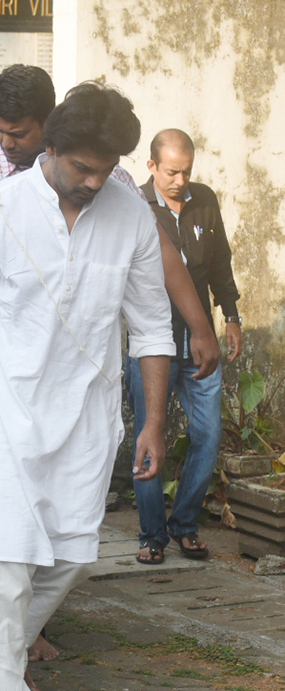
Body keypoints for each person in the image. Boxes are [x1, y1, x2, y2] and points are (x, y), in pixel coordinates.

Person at [0, 83, 175, 691]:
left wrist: (151, 424)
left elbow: (151, 327)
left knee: (72, 556)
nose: (95, 182)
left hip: (86, 415)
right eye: (83, 168)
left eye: (105, 169)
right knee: (3, 566)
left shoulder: (129, 214)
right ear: (51, 147)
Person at [0, 64, 220, 383]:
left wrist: (200, 327)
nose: (6, 142)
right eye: (0, 130)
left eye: (18, 133)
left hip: (82, 371)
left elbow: (161, 252)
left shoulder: (116, 185)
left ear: (47, 129)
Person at [129, 129, 242, 565]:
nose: (180, 180)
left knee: (208, 435)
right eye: (171, 171)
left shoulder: (204, 200)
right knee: (147, 435)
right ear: (152, 166)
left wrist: (230, 317)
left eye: (187, 171)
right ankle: (151, 533)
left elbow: (220, 265)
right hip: (148, 343)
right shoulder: (133, 205)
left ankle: (185, 524)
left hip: (201, 343)